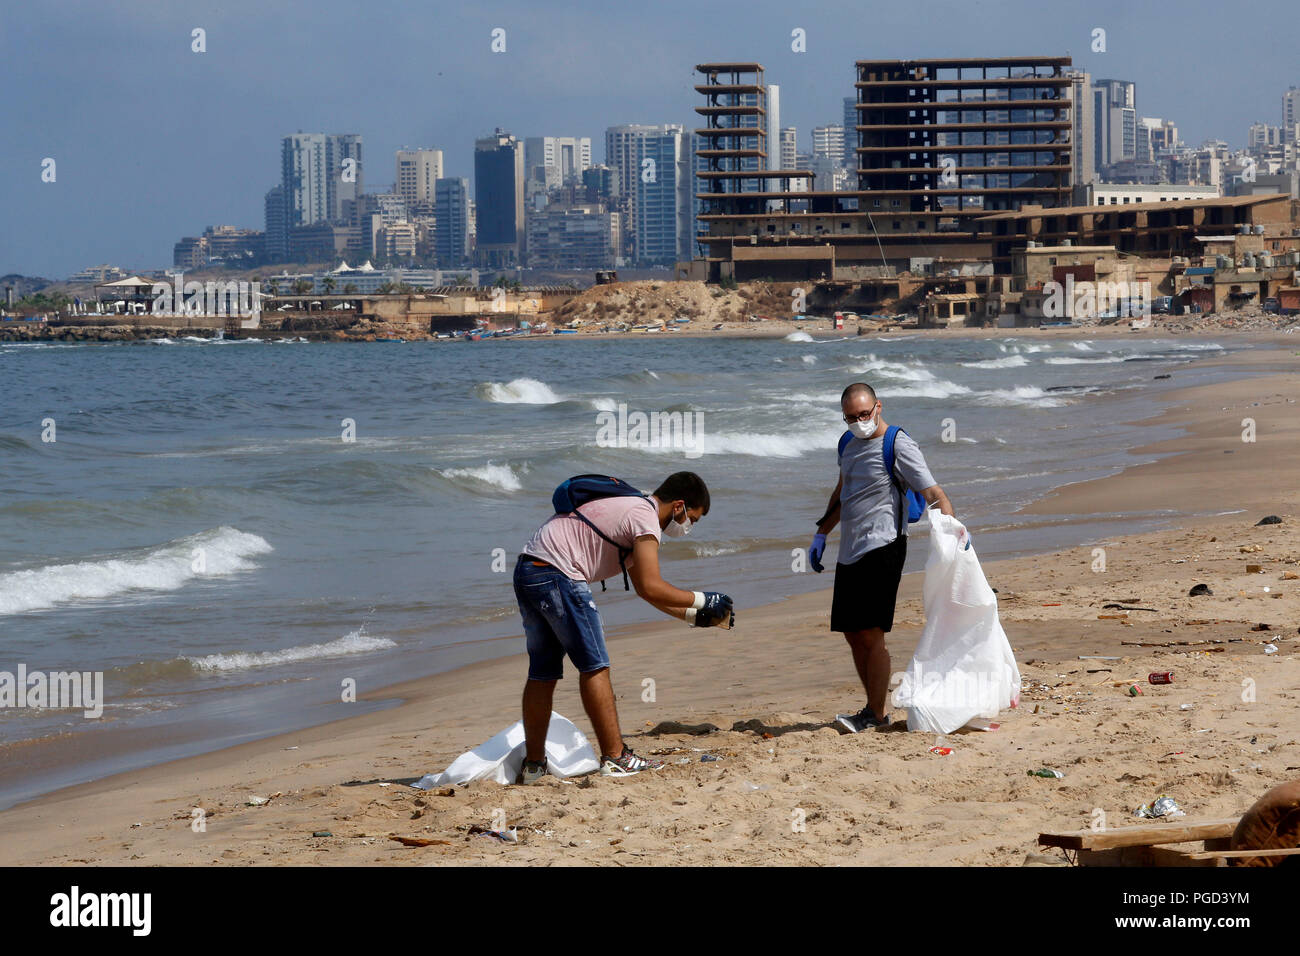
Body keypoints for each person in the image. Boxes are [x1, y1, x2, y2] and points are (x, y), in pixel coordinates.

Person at [515, 471, 734, 781]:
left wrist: (692, 615)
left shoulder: (631, 508)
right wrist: (703, 598)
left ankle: (534, 767)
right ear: (679, 506)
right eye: (693, 520)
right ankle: (616, 757)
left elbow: (645, 590)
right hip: (560, 575)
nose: (688, 528)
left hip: (529, 569)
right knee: (595, 666)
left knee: (543, 671)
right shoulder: (644, 516)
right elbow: (653, 584)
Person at [808, 383, 954, 733]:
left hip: (885, 546)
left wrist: (953, 535)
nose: (859, 422)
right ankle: (874, 708)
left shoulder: (898, 444)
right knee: (852, 633)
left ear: (877, 407)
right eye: (851, 417)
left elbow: (933, 492)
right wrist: (821, 532)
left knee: (871, 634)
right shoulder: (846, 443)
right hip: (851, 549)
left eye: (864, 414)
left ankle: (875, 713)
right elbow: (844, 489)